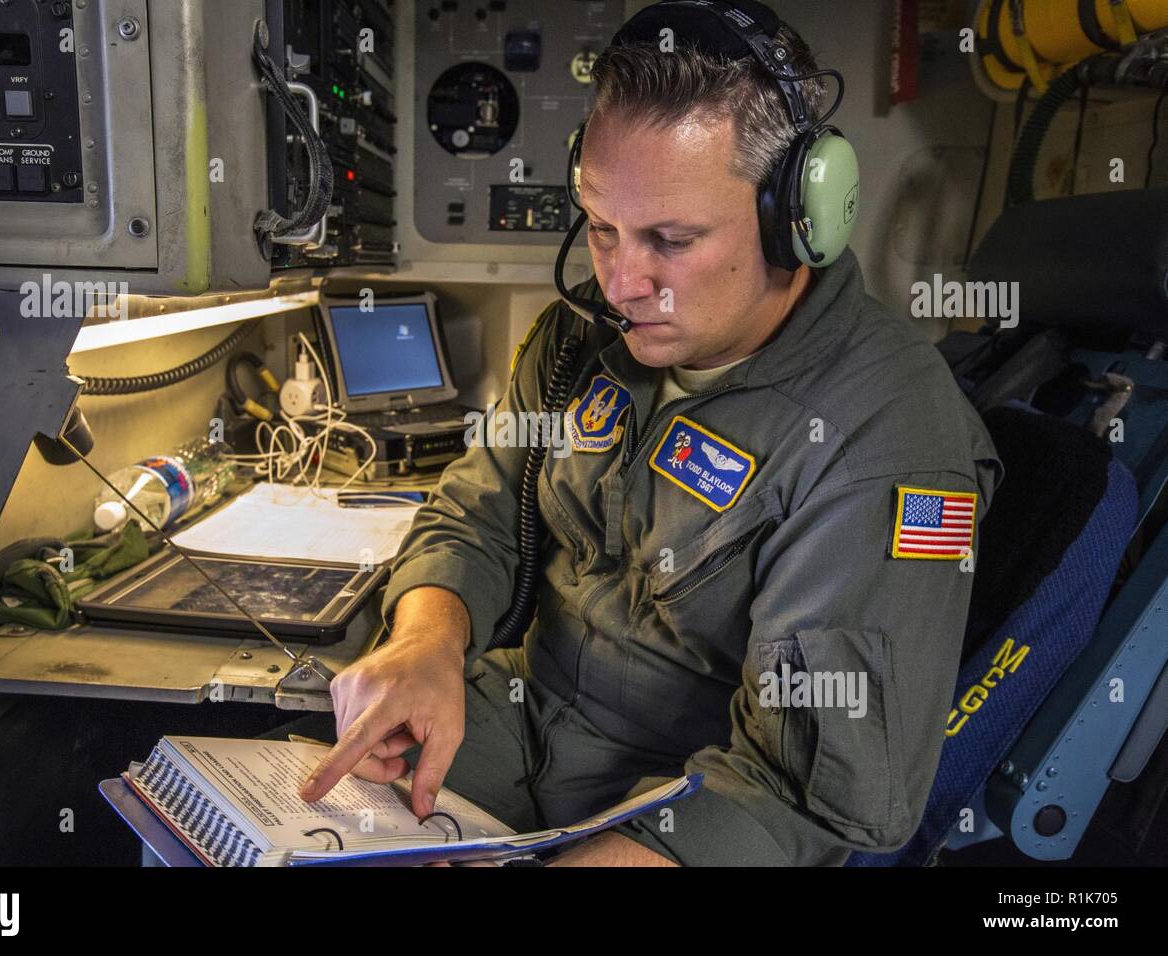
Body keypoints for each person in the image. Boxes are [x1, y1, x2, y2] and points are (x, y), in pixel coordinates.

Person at [284, 1, 1002, 866]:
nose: (622, 282)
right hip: (517, 725)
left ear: (797, 220)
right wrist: (425, 642)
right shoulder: (585, 341)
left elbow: (801, 797)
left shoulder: (884, 439)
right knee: (279, 796)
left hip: (680, 809)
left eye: (671, 239)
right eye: (601, 227)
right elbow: (474, 511)